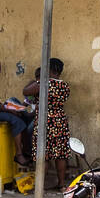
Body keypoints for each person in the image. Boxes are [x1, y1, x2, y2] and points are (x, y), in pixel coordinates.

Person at [0, 53, 34, 168]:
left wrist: (8, 107)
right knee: (16, 120)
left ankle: (26, 149)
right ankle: (19, 154)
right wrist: (9, 111)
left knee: (13, 102)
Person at [24, 58, 72, 189]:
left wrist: (34, 81)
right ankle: (61, 184)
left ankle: (40, 186)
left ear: (49, 69)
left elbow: (26, 91)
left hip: (45, 121)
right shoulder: (65, 86)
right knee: (60, 155)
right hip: (60, 121)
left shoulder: (43, 83)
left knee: (43, 155)